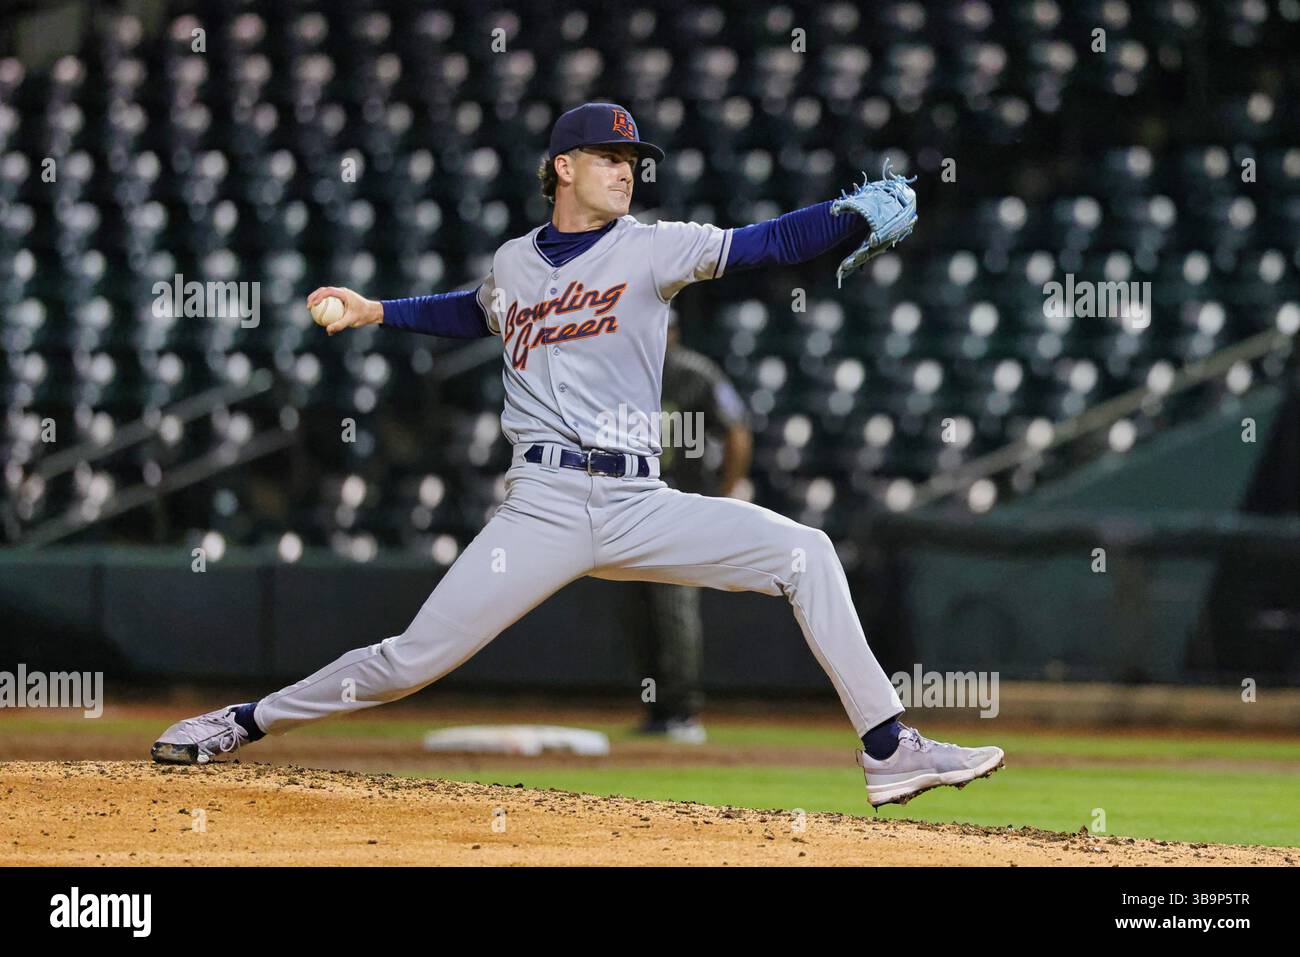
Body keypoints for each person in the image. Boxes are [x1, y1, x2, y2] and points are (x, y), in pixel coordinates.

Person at [151, 102, 1004, 808]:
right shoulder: (513, 263)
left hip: (641, 503)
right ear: (563, 167)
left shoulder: (654, 246)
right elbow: (474, 309)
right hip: (543, 508)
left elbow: (764, 244)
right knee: (409, 661)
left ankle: (889, 747)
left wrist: (848, 215)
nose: (627, 169)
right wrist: (378, 311)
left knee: (806, 552)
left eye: (633, 159)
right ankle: (247, 720)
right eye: (608, 155)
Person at [623, 314, 752, 744]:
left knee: (673, 603)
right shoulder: (622, 368)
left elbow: (736, 432)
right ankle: (659, 709)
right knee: (640, 607)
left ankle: (683, 711)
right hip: (630, 504)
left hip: (682, 503)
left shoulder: (695, 372)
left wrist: (726, 495)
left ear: (674, 332)